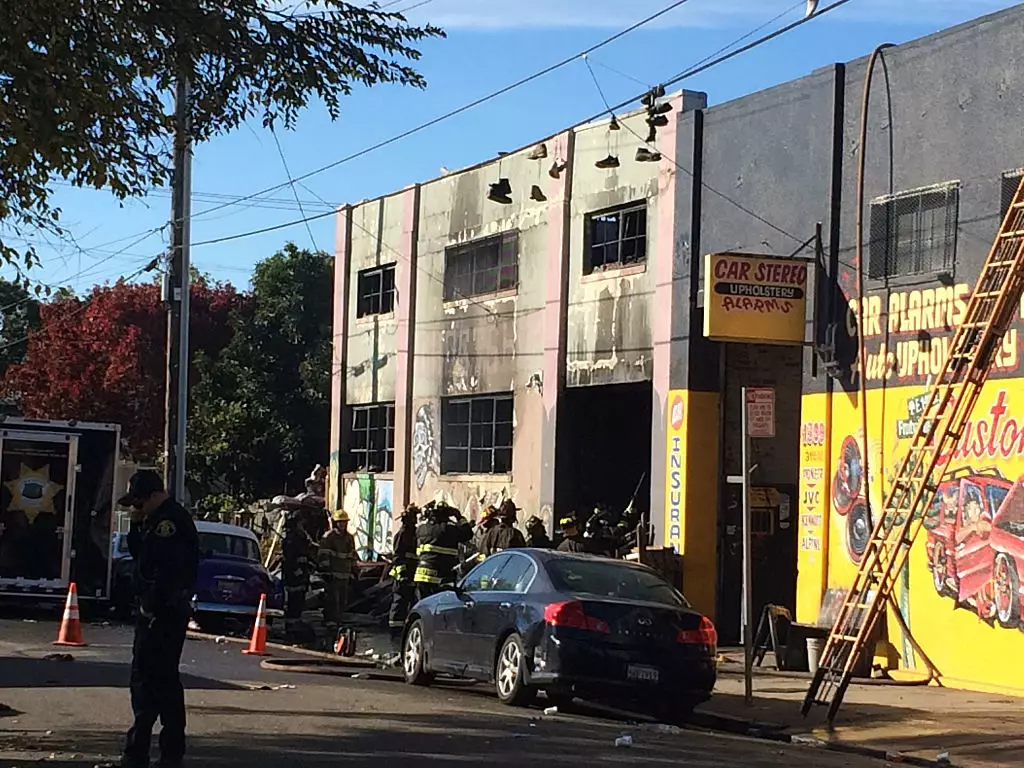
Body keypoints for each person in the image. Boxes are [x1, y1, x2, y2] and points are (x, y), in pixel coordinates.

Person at [119, 470, 199, 768]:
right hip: (153, 612)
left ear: (153, 495)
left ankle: (164, 751)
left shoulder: (170, 523)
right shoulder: (154, 521)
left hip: (162, 614)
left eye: (138, 503)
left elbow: (170, 572)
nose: (135, 509)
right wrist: (135, 528)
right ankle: (141, 748)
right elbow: (142, 560)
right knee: (146, 680)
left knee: (159, 680)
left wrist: (153, 606)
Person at [413, 502, 472, 600]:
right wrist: (459, 516)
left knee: (423, 606)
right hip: (441, 575)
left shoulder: (422, 529)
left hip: (421, 574)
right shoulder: (449, 529)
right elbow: (468, 534)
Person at [318, 509, 357, 628]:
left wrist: (354, 571)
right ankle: (330, 621)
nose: (343, 524)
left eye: (344, 522)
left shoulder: (349, 538)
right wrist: (326, 572)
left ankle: (338, 620)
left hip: (344, 575)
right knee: (331, 599)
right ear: (336, 523)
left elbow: (352, 555)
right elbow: (323, 555)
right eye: (340, 522)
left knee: (342, 600)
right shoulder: (329, 537)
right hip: (333, 575)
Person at [388, 504, 419, 645]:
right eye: (413, 517)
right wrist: (402, 574)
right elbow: (397, 556)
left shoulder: (414, 533)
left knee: (409, 602)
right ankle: (395, 631)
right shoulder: (403, 534)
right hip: (403, 574)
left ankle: (403, 630)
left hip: (413, 573)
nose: (416, 520)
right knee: (399, 602)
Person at [282, 509, 313, 636]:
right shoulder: (291, 539)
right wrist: (297, 570)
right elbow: (289, 558)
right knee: (294, 600)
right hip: (294, 575)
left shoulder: (301, 536)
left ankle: (295, 622)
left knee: (299, 599)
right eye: (301, 523)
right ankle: (291, 626)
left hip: (302, 573)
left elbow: (305, 554)